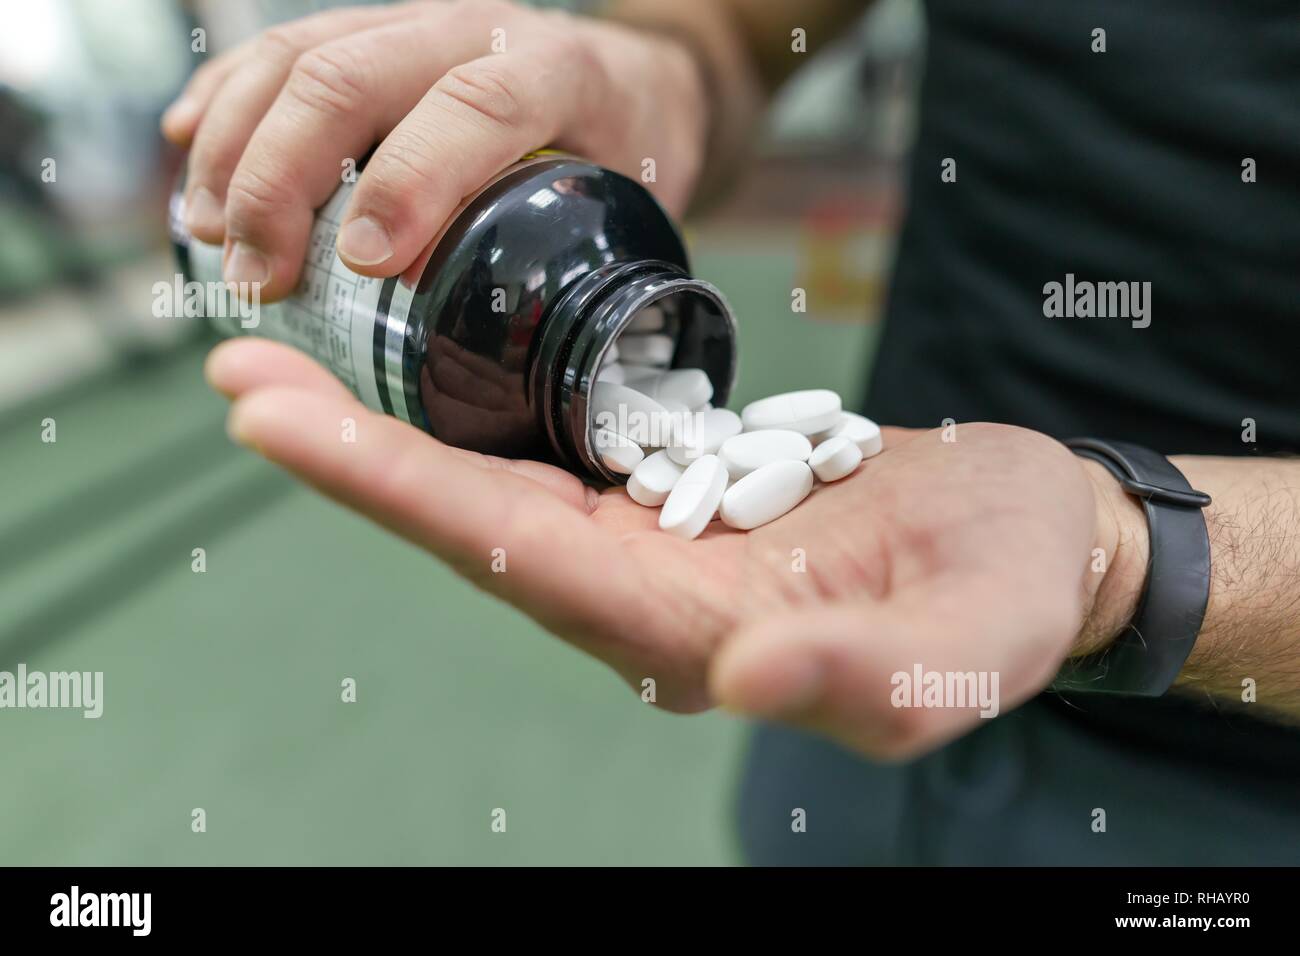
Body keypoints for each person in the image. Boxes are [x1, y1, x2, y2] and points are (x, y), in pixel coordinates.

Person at [162, 0, 1300, 864]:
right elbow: (736, 32)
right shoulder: (610, 272)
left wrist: (1130, 552)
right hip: (856, 596)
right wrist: (658, 67)